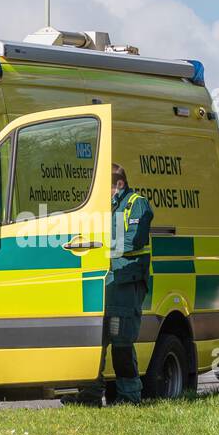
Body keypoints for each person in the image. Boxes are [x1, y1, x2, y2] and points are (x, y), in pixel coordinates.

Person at [76, 164, 153, 406]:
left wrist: (98, 245)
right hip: (106, 281)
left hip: (126, 282)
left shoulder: (136, 203)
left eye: (105, 187)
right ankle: (89, 394)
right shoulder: (105, 207)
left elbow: (134, 239)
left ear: (118, 184)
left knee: (121, 340)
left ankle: (129, 396)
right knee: (94, 338)